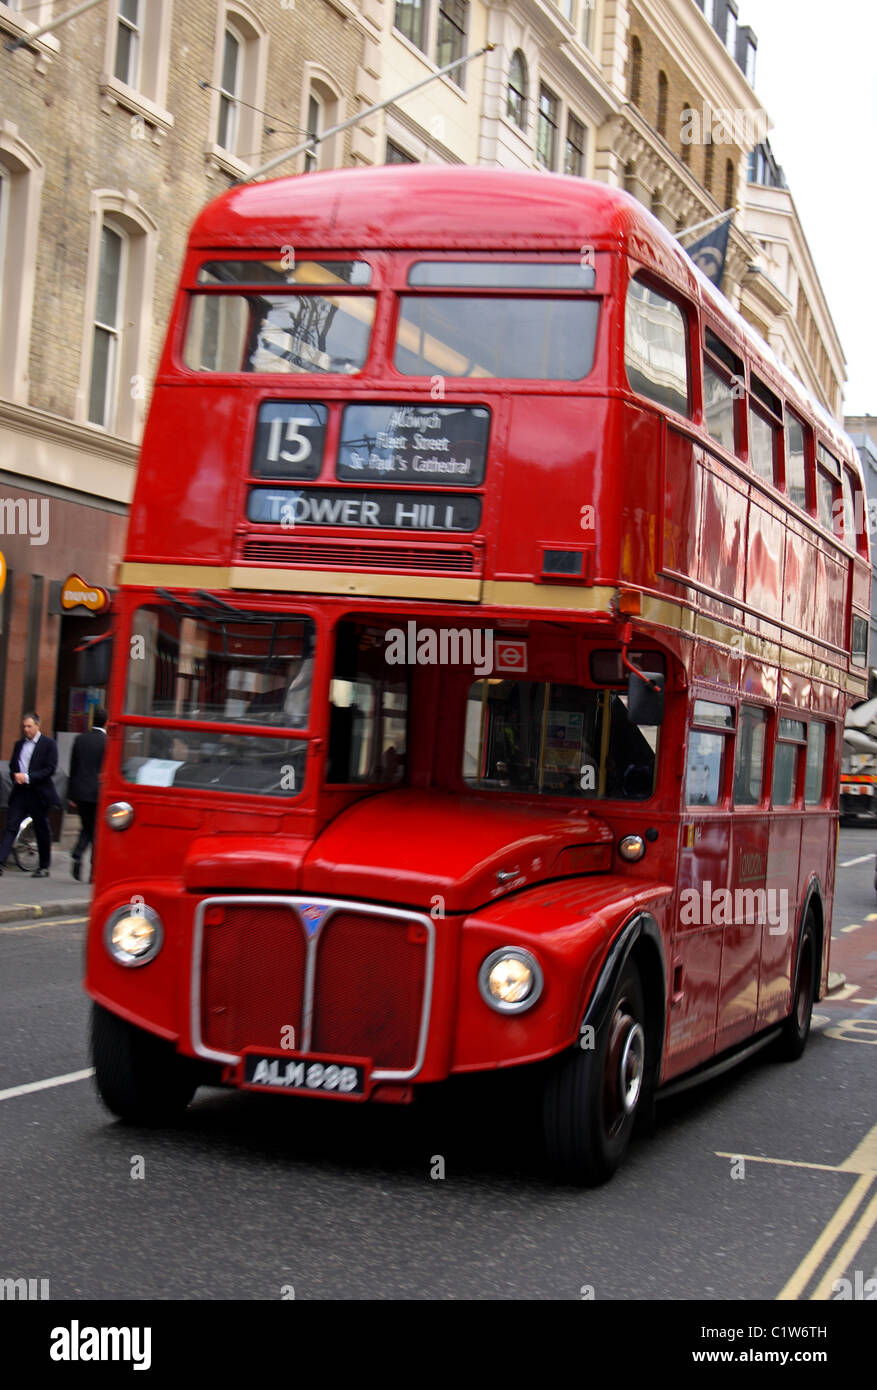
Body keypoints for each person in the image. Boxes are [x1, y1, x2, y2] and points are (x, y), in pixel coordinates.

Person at [0, 712, 61, 877]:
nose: (26, 730)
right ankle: (1, 862)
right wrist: (16, 775)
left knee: (42, 829)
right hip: (20, 792)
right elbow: (13, 764)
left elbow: (50, 769)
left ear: (37, 726)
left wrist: (28, 777)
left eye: (29, 726)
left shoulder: (48, 744)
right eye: (24, 727)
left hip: (38, 792)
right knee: (11, 826)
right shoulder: (19, 744)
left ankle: (44, 866)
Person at [68, 707, 108, 882]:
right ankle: (94, 869)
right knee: (95, 830)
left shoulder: (80, 739)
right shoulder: (108, 742)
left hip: (80, 792)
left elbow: (73, 767)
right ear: (106, 722)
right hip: (98, 793)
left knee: (87, 826)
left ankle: (78, 855)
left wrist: (71, 794)